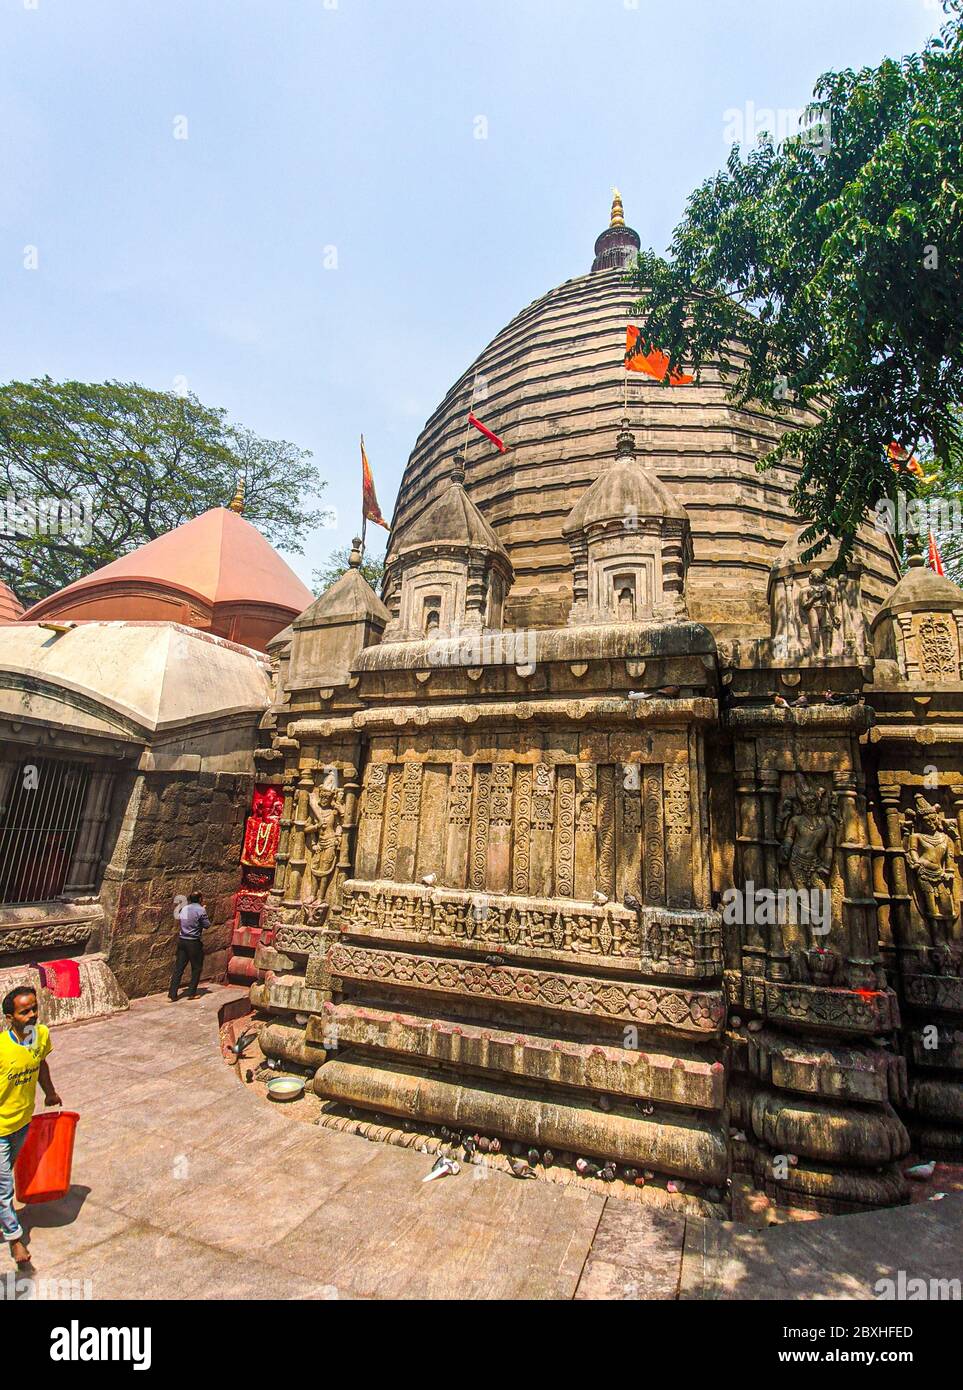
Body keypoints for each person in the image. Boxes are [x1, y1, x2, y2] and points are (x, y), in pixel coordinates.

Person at [1, 984, 62, 1268]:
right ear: (9, 1018)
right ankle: (15, 1239)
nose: (33, 1015)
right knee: (4, 1188)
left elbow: (41, 1065)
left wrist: (50, 1092)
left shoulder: (41, 1035)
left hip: (22, 1123)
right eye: (24, 1012)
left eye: (34, 1009)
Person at [168, 891, 211, 1001]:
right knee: (196, 968)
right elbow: (207, 925)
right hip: (193, 942)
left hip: (182, 940)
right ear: (200, 899)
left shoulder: (185, 908)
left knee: (179, 968)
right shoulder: (201, 910)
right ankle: (192, 993)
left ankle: (172, 994)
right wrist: (204, 912)